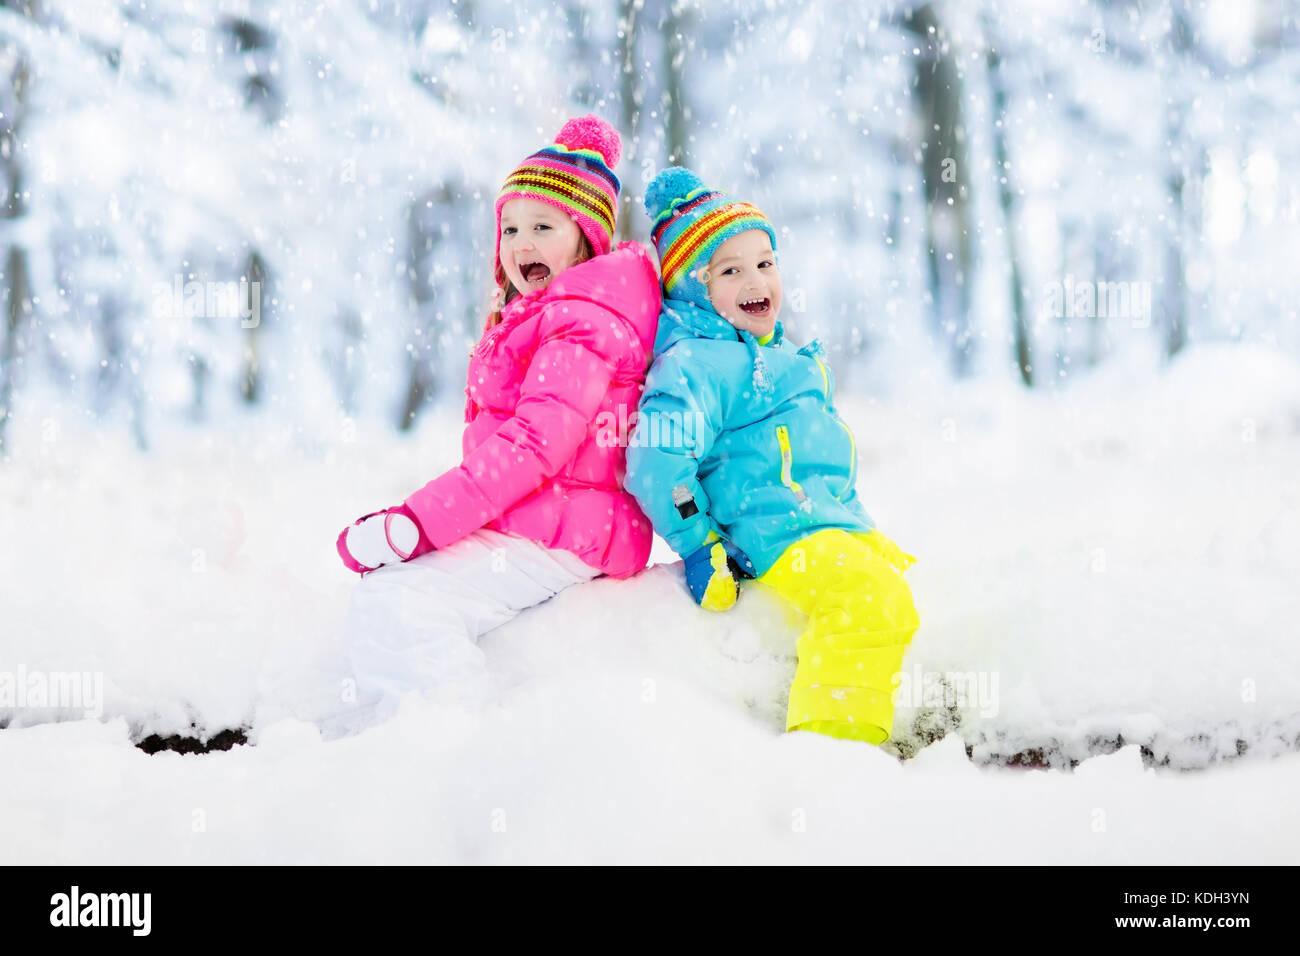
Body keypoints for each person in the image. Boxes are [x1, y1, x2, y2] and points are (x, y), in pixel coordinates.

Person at [335, 116, 661, 720]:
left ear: (588, 238)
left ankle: (451, 743)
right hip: (542, 519)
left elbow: (535, 446)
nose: (521, 244)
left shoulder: (581, 321)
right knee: (392, 593)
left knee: (399, 602)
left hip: (564, 527)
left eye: (543, 226)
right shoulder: (555, 313)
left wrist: (418, 523)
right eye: (510, 227)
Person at [625, 166, 920, 745]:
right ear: (693, 287)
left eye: (765, 262)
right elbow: (657, 461)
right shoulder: (697, 364)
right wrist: (698, 542)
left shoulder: (781, 356)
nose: (755, 279)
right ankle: (831, 753)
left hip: (822, 526)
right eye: (729, 270)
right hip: (775, 536)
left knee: (891, 600)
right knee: (869, 600)